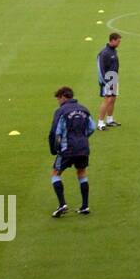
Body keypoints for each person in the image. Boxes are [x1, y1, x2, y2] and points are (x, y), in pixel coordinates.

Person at [48, 86, 94, 217]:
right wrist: (82, 138)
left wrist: (53, 148)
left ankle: (62, 204)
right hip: (83, 147)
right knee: (82, 173)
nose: (58, 101)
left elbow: (55, 132)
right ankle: (85, 206)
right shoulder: (84, 109)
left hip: (67, 148)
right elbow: (92, 127)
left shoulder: (61, 111)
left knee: (55, 173)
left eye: (58, 98)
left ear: (63, 96)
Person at [96, 32, 121, 130]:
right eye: (118, 41)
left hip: (114, 77)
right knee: (107, 100)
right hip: (107, 79)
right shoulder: (104, 53)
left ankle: (109, 120)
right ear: (113, 40)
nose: (119, 43)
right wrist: (105, 82)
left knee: (113, 99)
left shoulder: (113, 51)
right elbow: (100, 69)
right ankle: (100, 123)